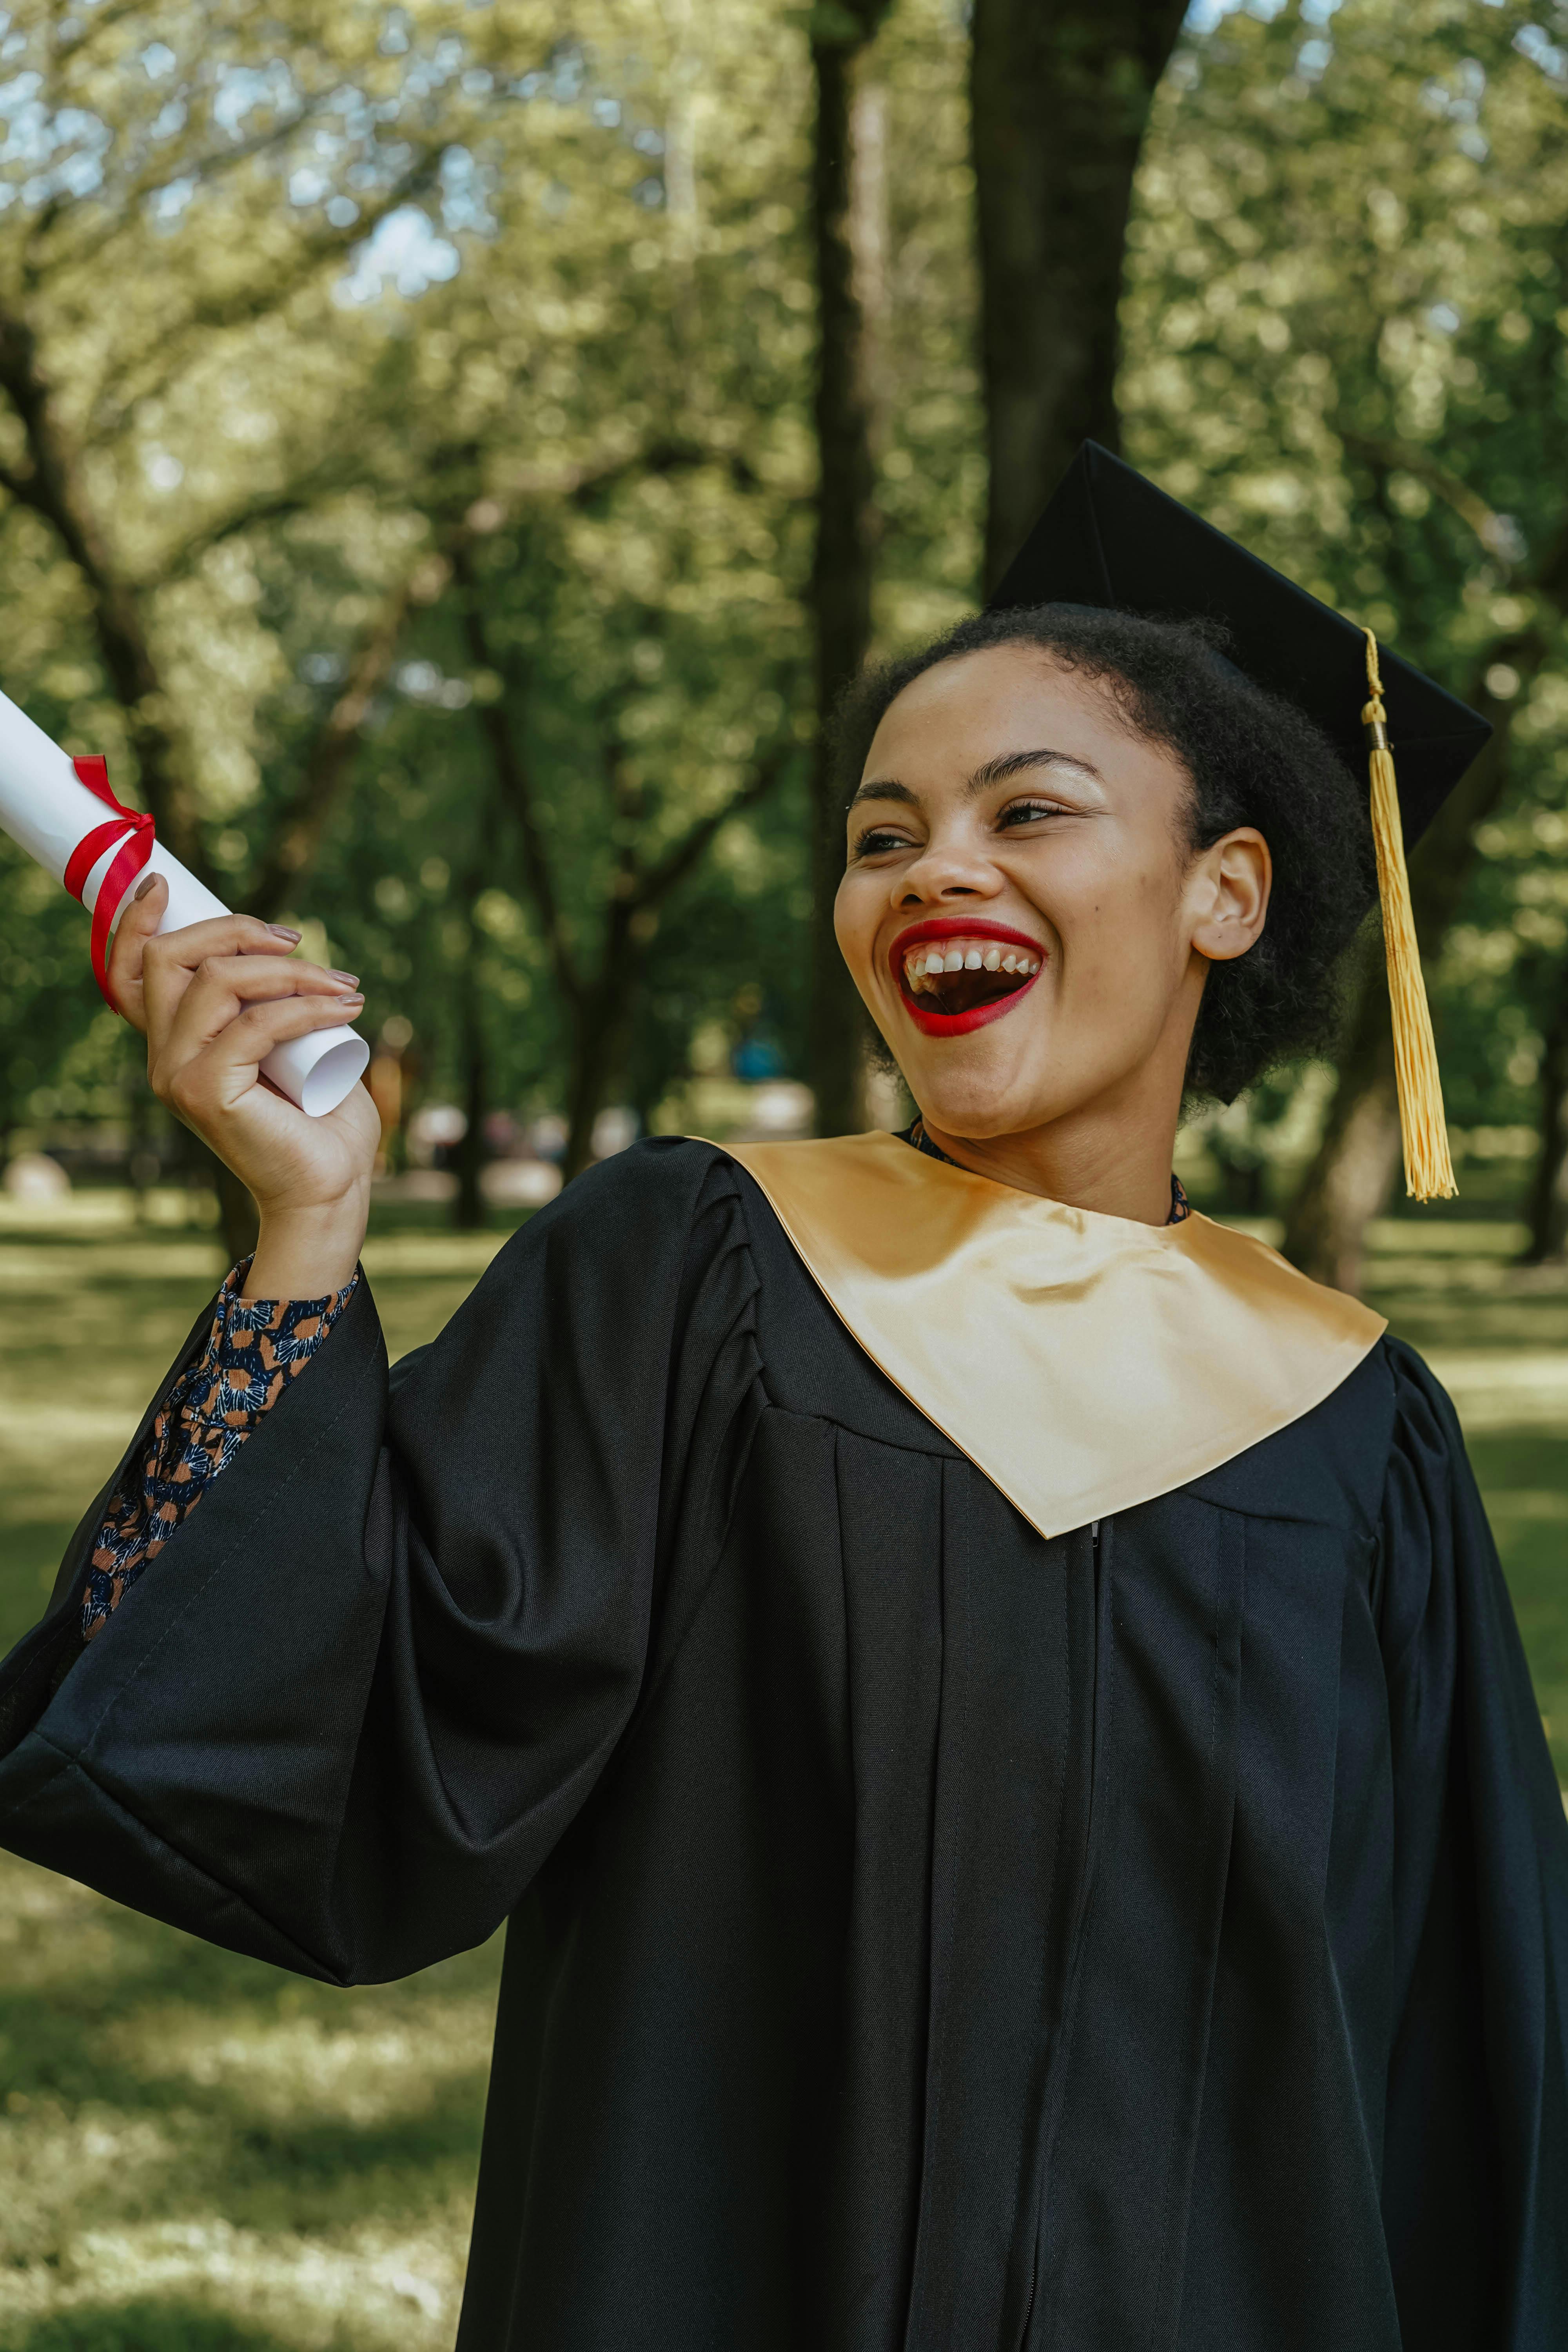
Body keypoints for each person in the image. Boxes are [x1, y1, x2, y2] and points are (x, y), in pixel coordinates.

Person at [0, 445, 1564, 2352]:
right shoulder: (697, 1269)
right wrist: (306, 1228)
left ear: (1225, 891)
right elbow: (347, 1752)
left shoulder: (1353, 1430)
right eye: (881, 834)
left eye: (1027, 810)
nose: (936, 874)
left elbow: (1461, 2065)